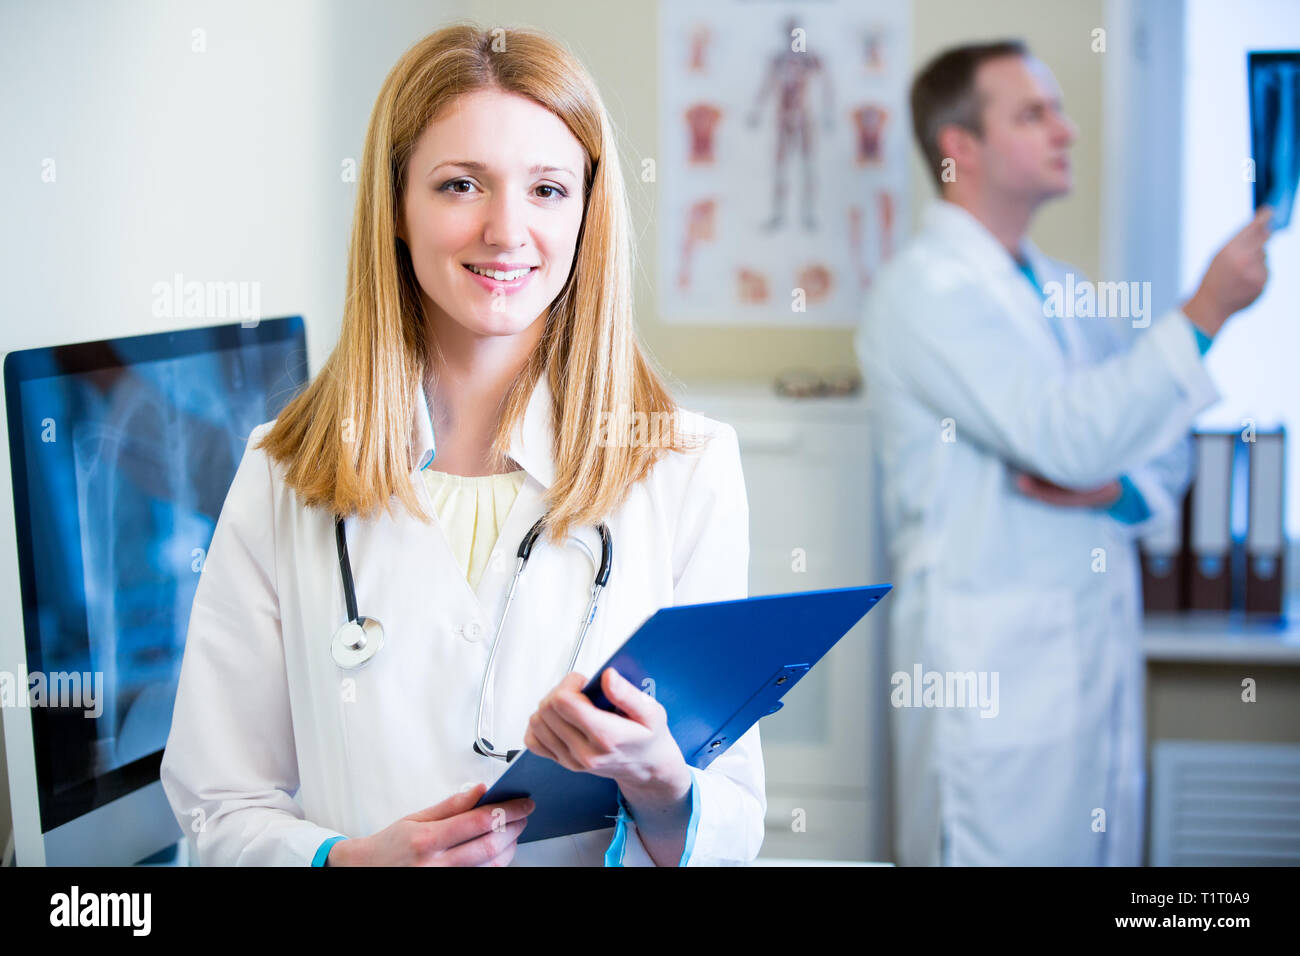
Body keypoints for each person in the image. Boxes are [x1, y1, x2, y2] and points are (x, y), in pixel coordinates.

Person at [160, 23, 765, 867]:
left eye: (548, 189)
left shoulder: (687, 469)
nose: (506, 231)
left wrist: (662, 786)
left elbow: (730, 825)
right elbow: (217, 808)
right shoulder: (282, 472)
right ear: (397, 210)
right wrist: (354, 861)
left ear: (588, 214)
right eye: (460, 186)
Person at [857, 41, 1271, 866]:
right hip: (989, 682)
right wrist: (1204, 312)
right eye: (1033, 113)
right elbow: (1067, 434)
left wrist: (1109, 487)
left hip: (1089, 667)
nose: (1067, 130)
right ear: (960, 147)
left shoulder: (1069, 293)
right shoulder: (925, 293)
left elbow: (1158, 454)